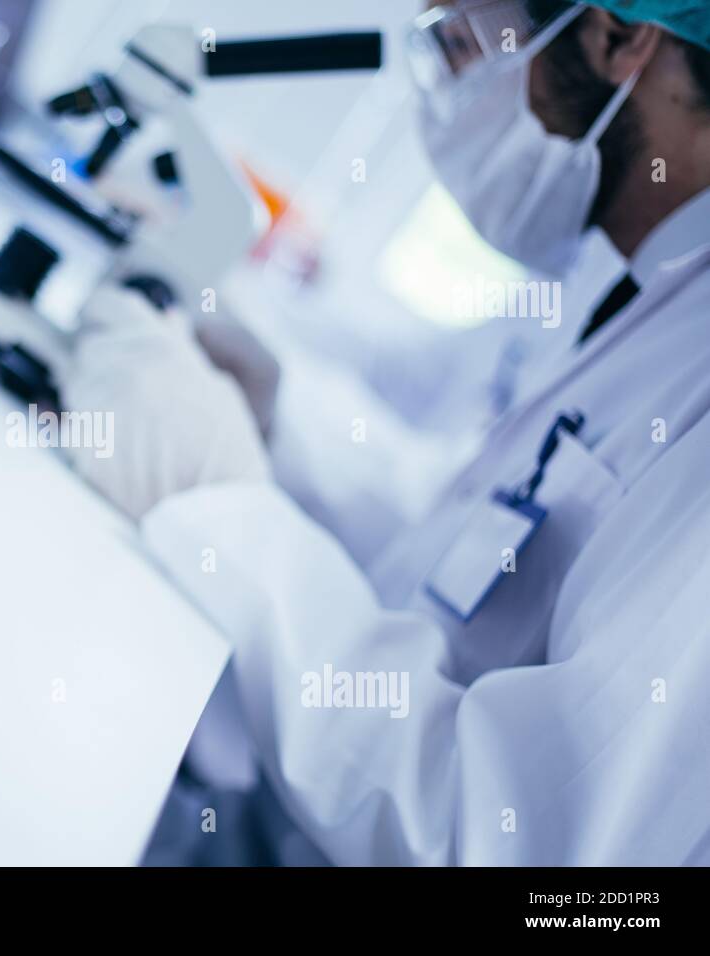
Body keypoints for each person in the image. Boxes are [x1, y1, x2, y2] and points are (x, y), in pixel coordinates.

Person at [63, 0, 710, 865]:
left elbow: (509, 844)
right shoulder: (644, 277)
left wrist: (220, 508)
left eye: (465, 40)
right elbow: (480, 560)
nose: (450, 82)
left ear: (621, 36)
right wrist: (276, 414)